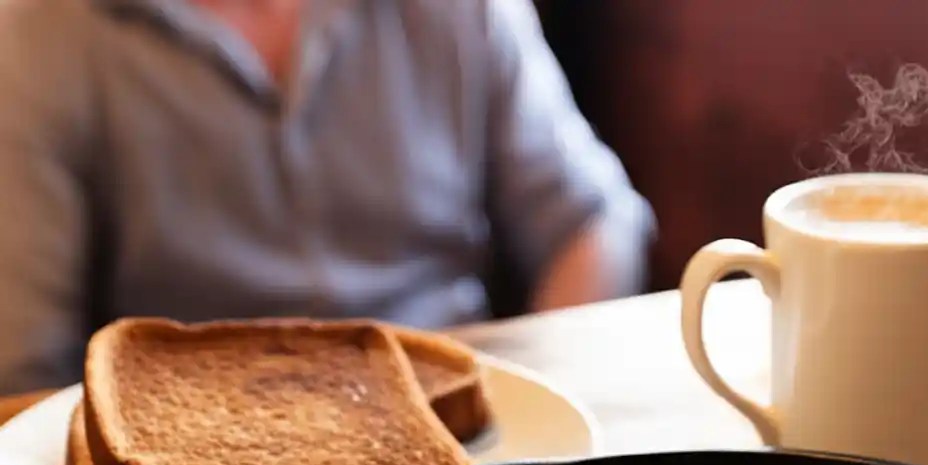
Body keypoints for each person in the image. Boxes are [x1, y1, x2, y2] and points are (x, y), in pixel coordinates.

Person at [0, 0, 654, 393]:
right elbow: (25, 369)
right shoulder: (39, 35)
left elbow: (594, 219)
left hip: (460, 413)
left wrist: (531, 399)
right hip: (203, 447)